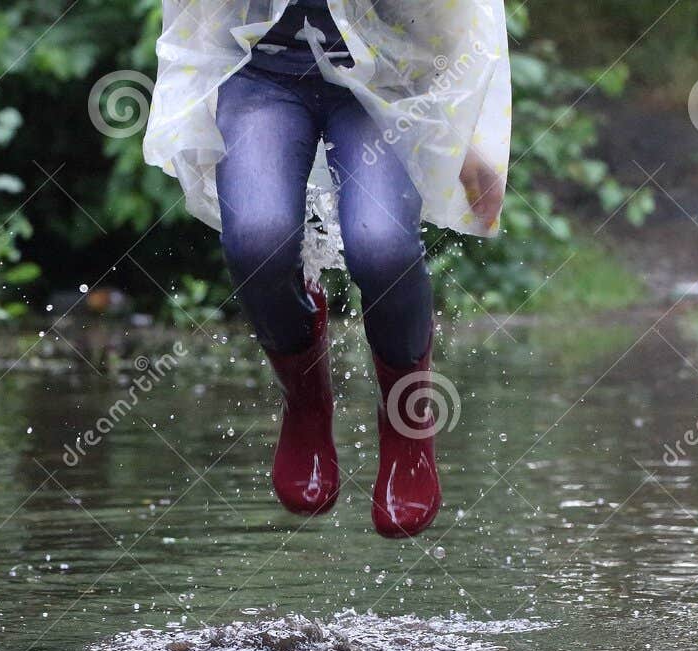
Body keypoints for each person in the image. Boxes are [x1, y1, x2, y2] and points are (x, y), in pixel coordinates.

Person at [144, 1, 510, 538]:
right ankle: (306, 399)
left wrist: (471, 139)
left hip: (388, 74)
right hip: (258, 71)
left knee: (381, 246)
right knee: (258, 241)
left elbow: (459, 15)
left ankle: (407, 421)